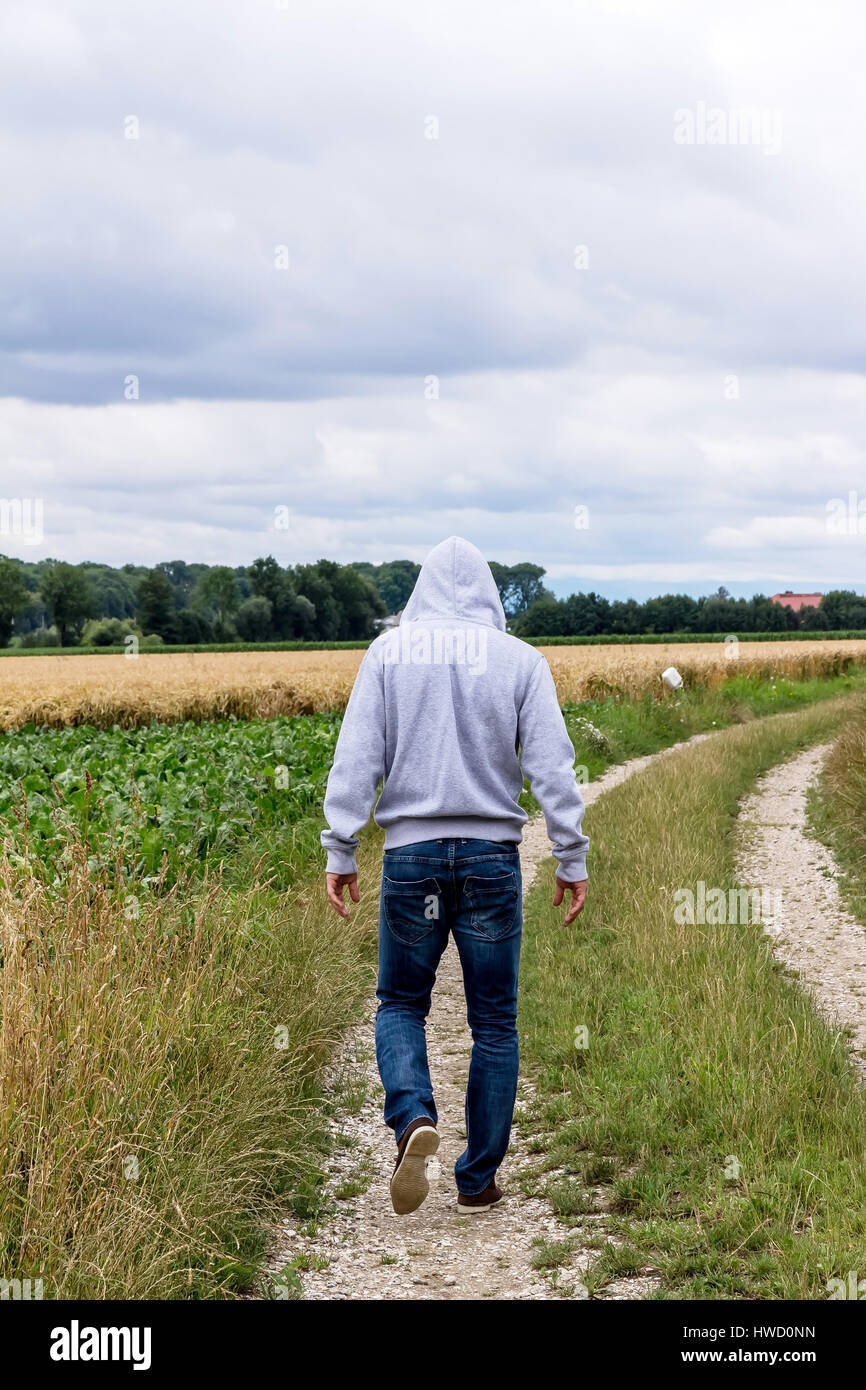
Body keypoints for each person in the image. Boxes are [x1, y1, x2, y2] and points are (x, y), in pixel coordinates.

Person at [322, 536, 588, 1215]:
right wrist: (570, 854)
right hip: (492, 859)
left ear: (422, 588)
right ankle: (478, 1179)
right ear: (490, 592)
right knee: (494, 1021)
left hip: (411, 859)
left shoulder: (388, 654)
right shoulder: (521, 660)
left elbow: (358, 757)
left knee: (402, 1003)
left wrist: (341, 847)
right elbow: (553, 766)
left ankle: (413, 1117)